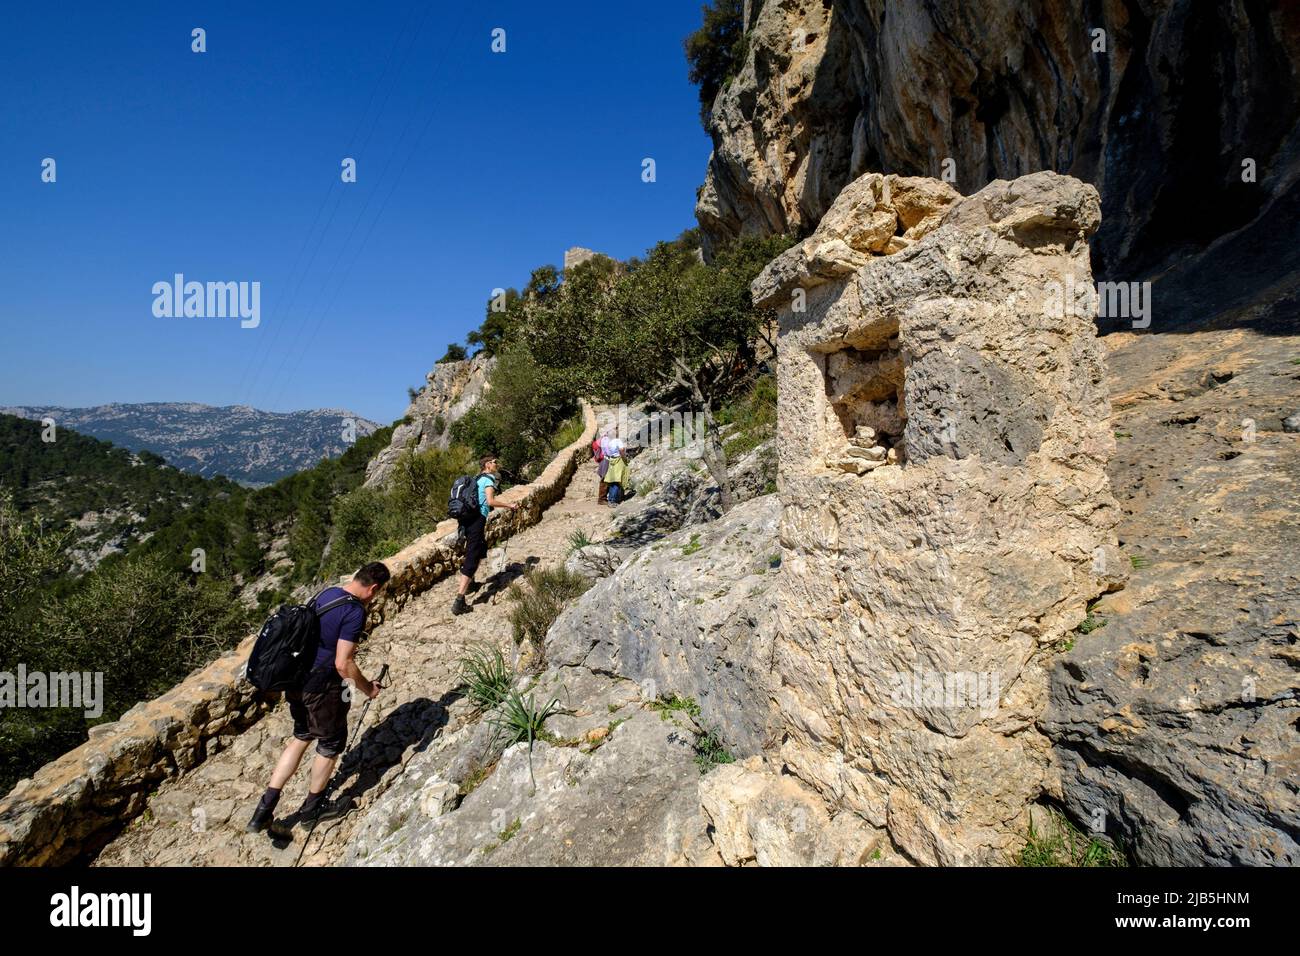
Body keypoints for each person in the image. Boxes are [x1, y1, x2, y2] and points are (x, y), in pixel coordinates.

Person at [246, 561, 390, 833]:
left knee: (301, 736)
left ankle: (263, 810)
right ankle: (313, 810)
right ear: (373, 589)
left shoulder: (328, 593)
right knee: (330, 743)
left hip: (295, 681)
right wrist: (368, 689)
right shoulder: (354, 611)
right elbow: (343, 664)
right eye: (377, 593)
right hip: (322, 687)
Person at [452, 454, 518, 616]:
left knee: (480, 549)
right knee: (473, 555)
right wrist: (509, 505)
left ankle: (471, 583)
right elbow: (490, 501)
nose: (496, 464)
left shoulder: (477, 478)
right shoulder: (489, 479)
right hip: (477, 520)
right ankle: (459, 600)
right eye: (494, 462)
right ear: (487, 465)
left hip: (466, 520)